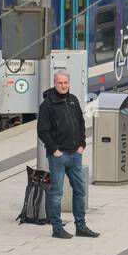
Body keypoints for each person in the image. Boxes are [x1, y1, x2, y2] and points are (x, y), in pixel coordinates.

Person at [37, 70, 98, 240]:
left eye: (65, 83)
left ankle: (81, 226)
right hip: (59, 156)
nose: (63, 86)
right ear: (54, 83)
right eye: (59, 83)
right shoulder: (47, 105)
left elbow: (80, 123)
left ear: (69, 83)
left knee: (80, 191)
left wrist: (82, 144)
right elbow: (42, 131)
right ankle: (57, 228)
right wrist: (55, 150)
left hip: (75, 154)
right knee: (57, 193)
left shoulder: (73, 100)